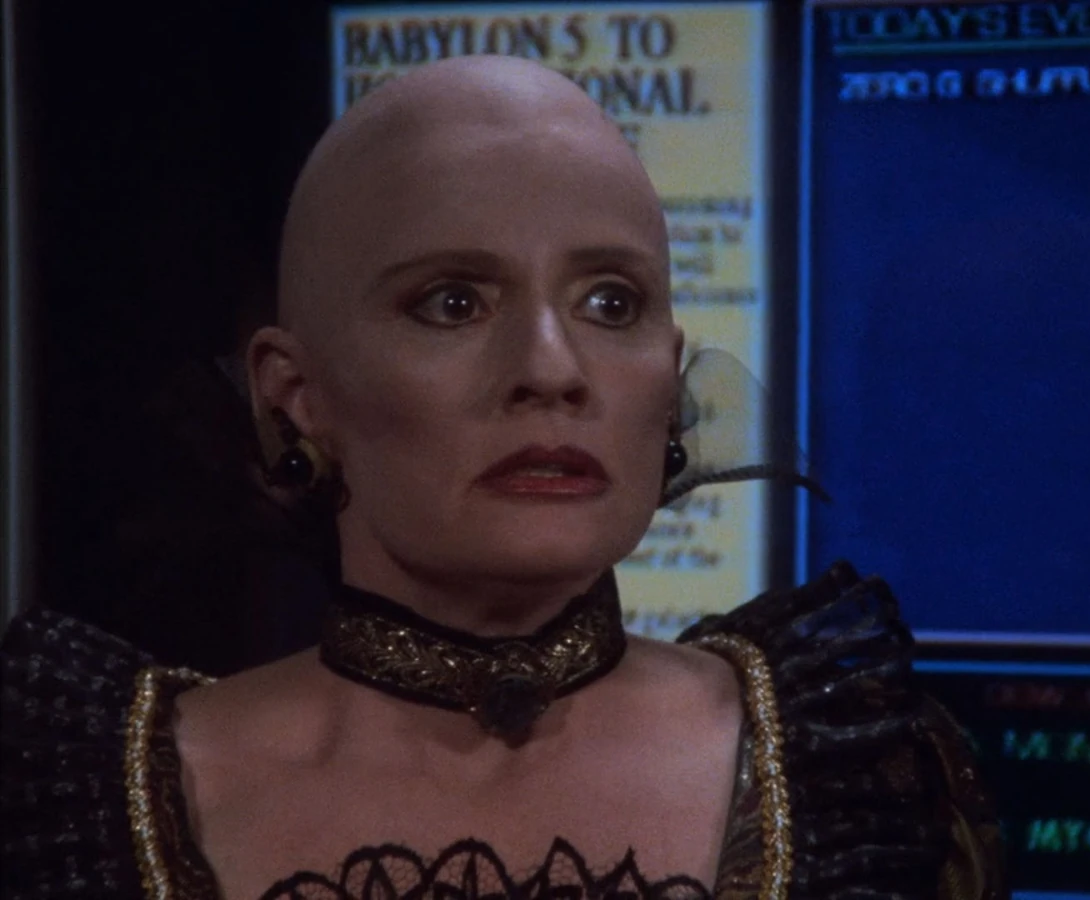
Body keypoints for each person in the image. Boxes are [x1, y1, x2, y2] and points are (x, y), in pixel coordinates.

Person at [1, 56, 1006, 899]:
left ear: (670, 374)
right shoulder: (91, 796)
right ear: (295, 395)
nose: (552, 370)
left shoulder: (859, 770)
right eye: (452, 303)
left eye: (611, 303)